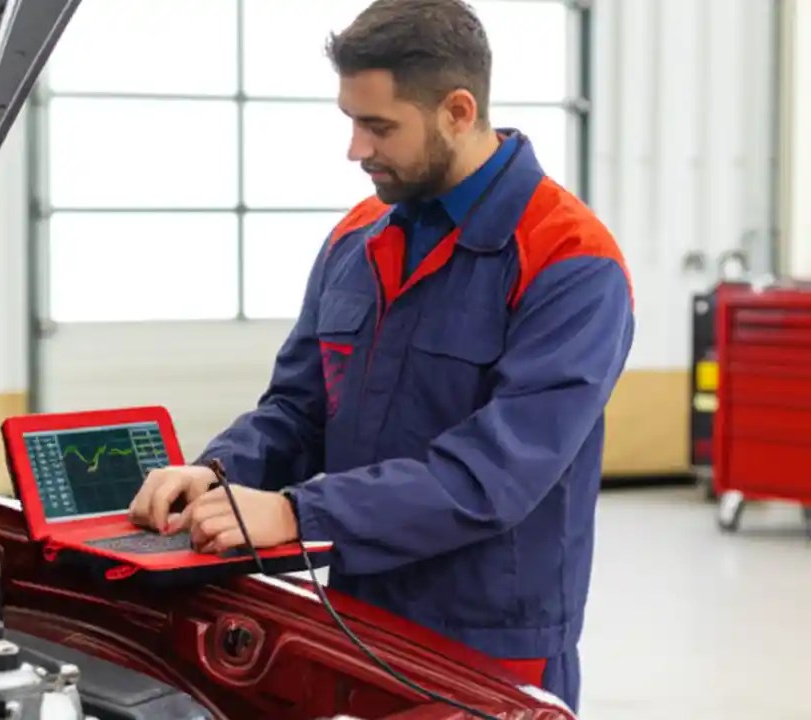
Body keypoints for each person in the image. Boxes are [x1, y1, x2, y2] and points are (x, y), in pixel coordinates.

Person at [127, 0, 634, 712]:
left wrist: (298, 516)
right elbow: (299, 409)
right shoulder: (357, 238)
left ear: (458, 110)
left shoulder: (571, 262)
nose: (356, 149)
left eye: (379, 126)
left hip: (488, 641)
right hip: (358, 614)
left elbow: (493, 476)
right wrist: (218, 475)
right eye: (351, 121)